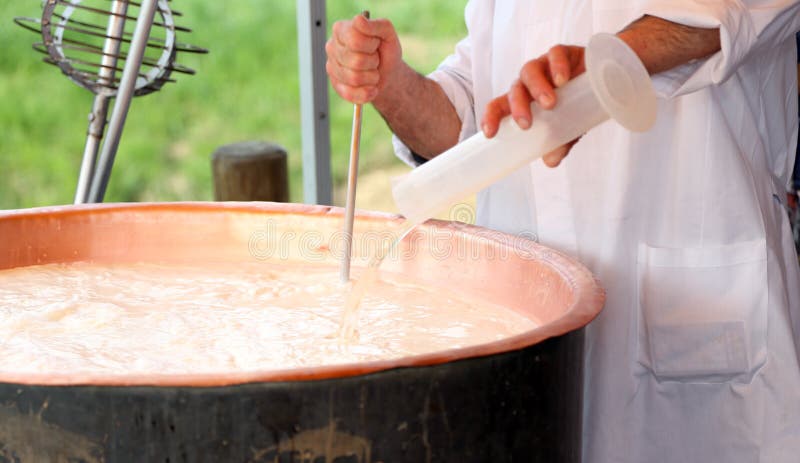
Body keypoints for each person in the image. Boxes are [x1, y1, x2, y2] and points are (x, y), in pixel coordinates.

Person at [327, 2, 800, 462]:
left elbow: (738, 11)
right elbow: (483, 123)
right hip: (531, 327)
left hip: (688, 314)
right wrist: (393, 87)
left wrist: (605, 64)